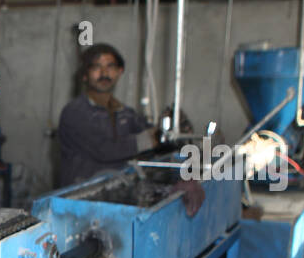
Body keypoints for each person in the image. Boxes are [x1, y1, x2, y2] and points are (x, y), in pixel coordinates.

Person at [57, 43, 203, 215]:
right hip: (80, 201)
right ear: (84, 75)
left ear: (120, 72)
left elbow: (153, 144)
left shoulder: (125, 113)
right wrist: (155, 137)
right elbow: (105, 150)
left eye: (110, 66)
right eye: (96, 67)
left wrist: (173, 133)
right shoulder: (75, 112)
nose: (104, 73)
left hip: (116, 195)